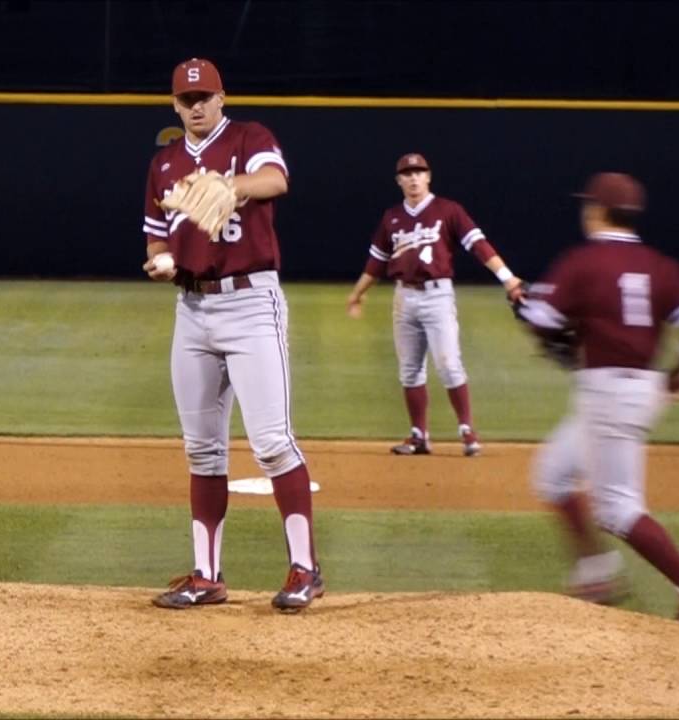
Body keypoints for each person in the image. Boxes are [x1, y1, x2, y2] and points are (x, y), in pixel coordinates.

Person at [141, 58, 324, 612]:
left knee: (271, 440)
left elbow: (277, 180)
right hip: (192, 308)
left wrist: (230, 184)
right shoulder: (164, 164)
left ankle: (305, 569)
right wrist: (163, 262)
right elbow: (155, 239)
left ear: (222, 98)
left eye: (205, 97)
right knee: (201, 449)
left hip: (251, 303)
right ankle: (206, 575)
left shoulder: (249, 137)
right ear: (174, 105)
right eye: (186, 100)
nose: (196, 106)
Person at [516, 171, 679, 624]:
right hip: (642, 389)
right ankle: (597, 574)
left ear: (596, 211)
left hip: (608, 394)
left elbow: (542, 320)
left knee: (618, 508)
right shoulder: (658, 264)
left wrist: (527, 303)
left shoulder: (584, 261)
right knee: (553, 474)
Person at [345, 153, 525, 456]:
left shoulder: (448, 210)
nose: (414, 178)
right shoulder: (392, 217)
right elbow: (376, 262)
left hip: (437, 296)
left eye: (419, 172)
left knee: (449, 364)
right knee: (410, 370)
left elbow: (479, 246)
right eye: (408, 173)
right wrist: (357, 293)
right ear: (399, 180)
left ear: (428, 177)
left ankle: (467, 430)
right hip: (404, 297)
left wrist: (508, 278)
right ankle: (419, 435)